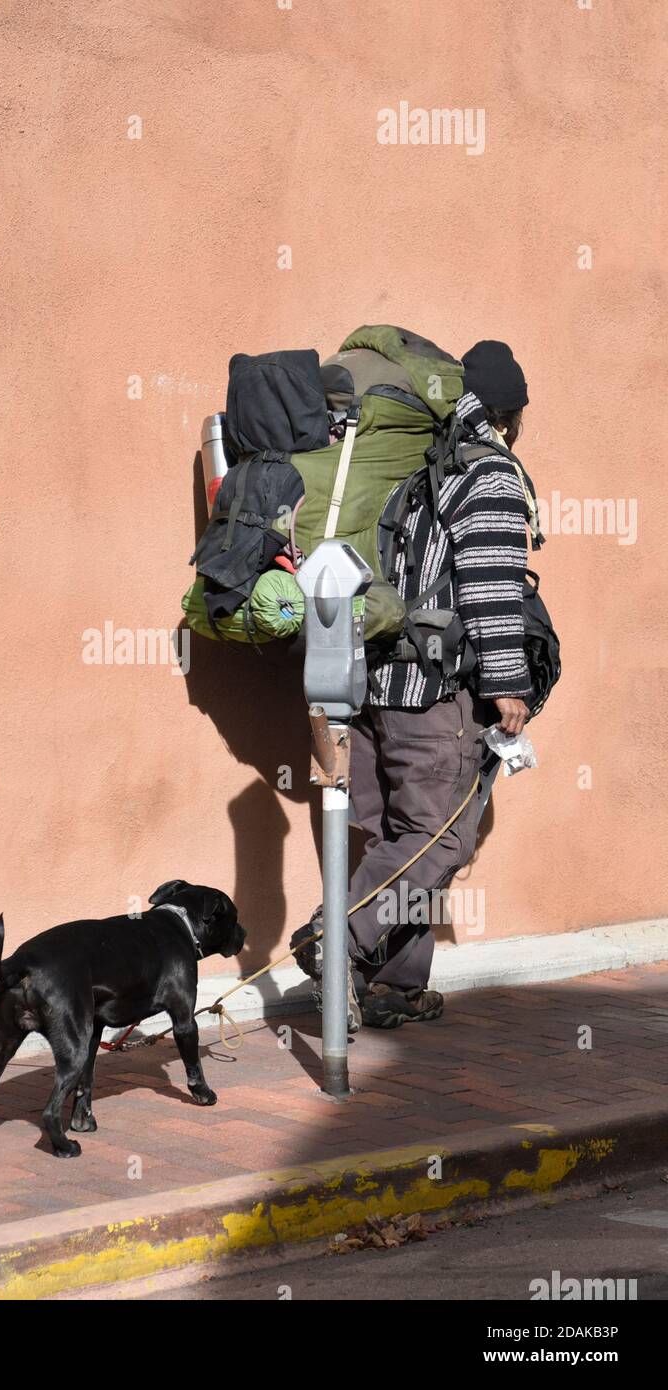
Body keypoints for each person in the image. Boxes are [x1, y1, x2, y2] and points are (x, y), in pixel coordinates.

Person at [293, 340, 535, 1030]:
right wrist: (507, 683)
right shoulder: (487, 475)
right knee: (438, 837)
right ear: (510, 412)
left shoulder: (418, 470)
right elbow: (489, 582)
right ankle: (332, 939)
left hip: (369, 678)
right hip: (431, 692)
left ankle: (394, 985)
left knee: (392, 834)